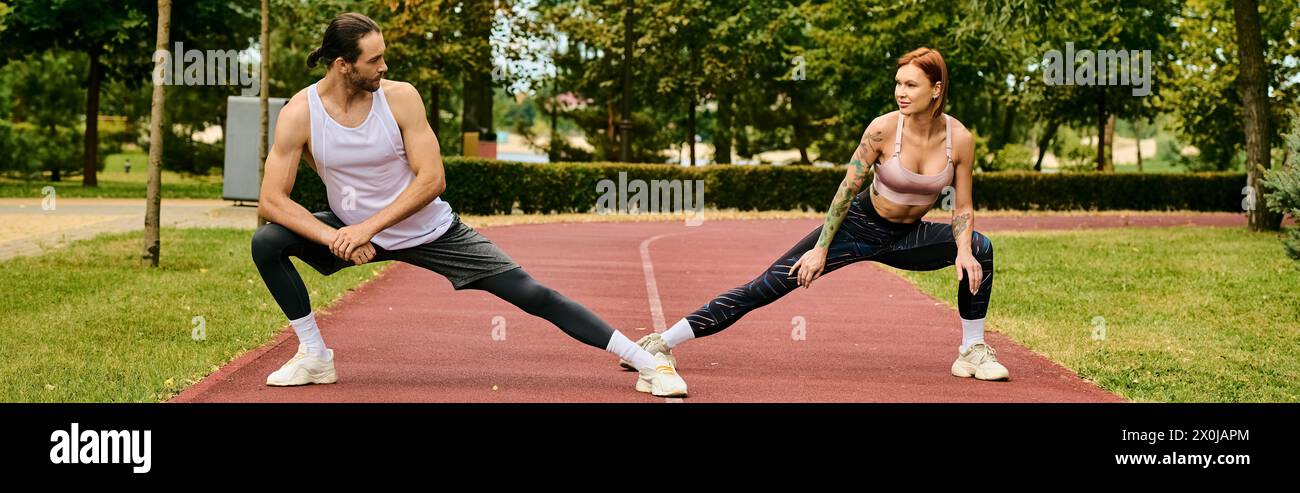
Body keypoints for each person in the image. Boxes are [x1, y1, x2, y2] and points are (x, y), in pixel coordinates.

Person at [252, 12, 686, 397]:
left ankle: (648, 361)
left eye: (384, 56)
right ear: (342, 65)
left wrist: (368, 229)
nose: (384, 66)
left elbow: (431, 179)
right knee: (268, 241)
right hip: (353, 230)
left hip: (429, 230)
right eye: (374, 60)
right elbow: (271, 200)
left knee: (534, 294)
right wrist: (338, 235)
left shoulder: (400, 97)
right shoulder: (301, 112)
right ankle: (314, 355)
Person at [624, 47, 1009, 383]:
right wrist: (821, 249)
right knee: (764, 287)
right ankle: (663, 342)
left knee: (980, 249)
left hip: (908, 237)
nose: (900, 93)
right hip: (857, 226)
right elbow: (846, 191)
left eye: (911, 85)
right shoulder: (882, 131)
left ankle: (971, 350)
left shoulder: (959, 140)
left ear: (936, 89)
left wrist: (961, 250)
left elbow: (963, 207)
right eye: (898, 84)